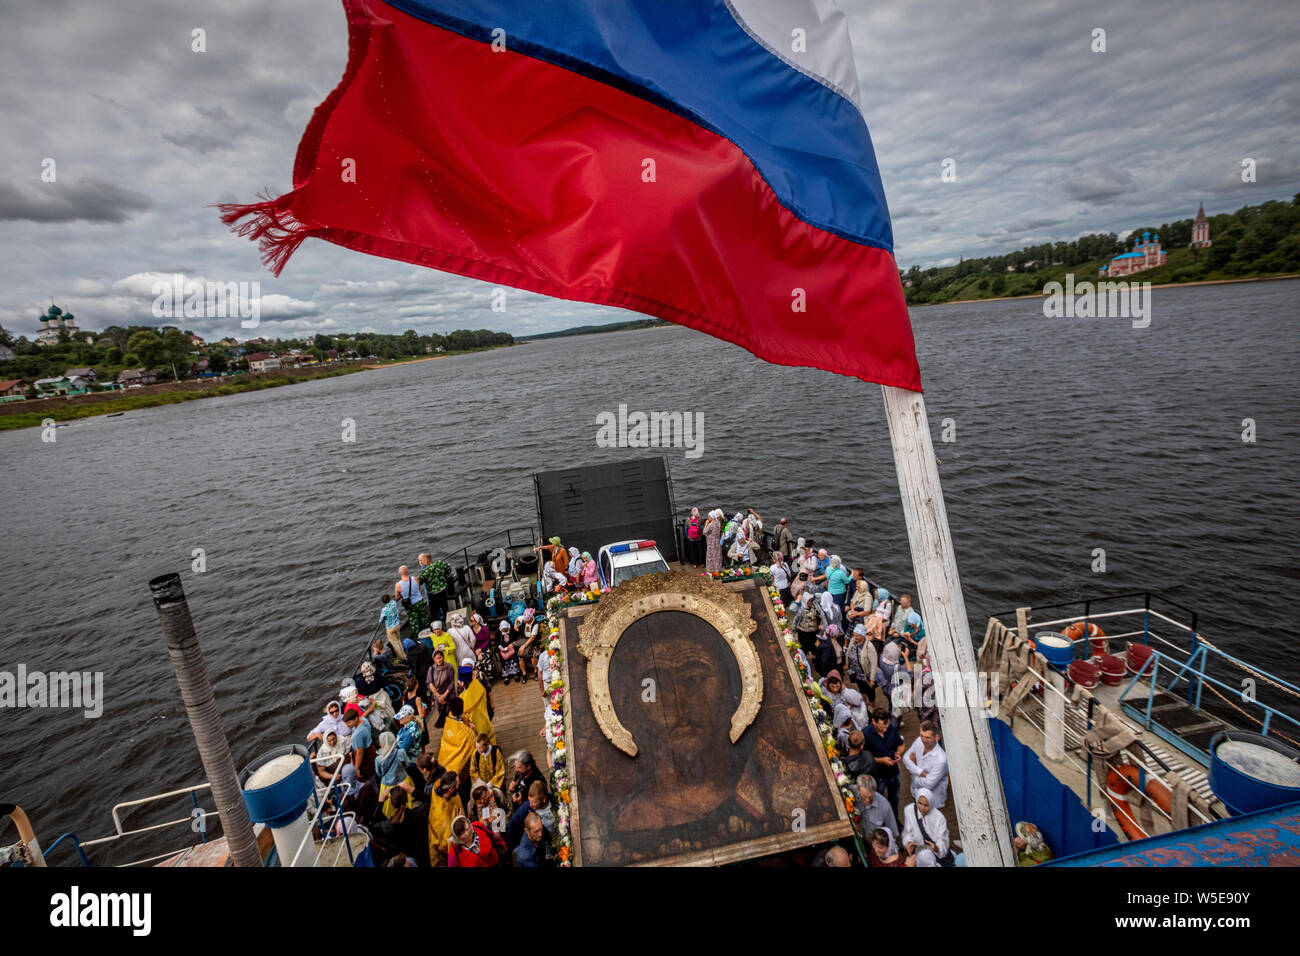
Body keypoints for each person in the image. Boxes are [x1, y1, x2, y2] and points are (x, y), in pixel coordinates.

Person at [863, 707, 905, 819]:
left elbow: (901, 745)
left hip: (894, 773)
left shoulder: (891, 728)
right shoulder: (866, 734)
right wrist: (879, 760)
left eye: (887, 727)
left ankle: (895, 820)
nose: (885, 730)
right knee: (879, 803)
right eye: (882, 727)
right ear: (873, 721)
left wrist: (899, 753)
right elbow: (864, 757)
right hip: (878, 777)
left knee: (894, 801)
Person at [437, 696, 479, 805]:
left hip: (448, 766)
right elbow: (474, 745)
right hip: (463, 771)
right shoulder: (467, 732)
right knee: (465, 793)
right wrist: (474, 730)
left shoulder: (448, 724)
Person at [903, 720, 949, 809]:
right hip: (916, 793)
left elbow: (928, 784)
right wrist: (920, 772)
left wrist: (912, 770)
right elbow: (905, 758)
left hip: (932, 802)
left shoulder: (941, 759)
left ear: (937, 737)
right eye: (922, 736)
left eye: (927, 737)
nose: (923, 740)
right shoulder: (918, 741)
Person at [902, 788, 952, 867]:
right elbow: (907, 832)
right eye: (920, 803)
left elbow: (943, 840)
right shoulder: (909, 811)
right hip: (919, 853)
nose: (922, 807)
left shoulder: (939, 818)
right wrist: (908, 842)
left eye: (926, 805)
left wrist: (936, 848)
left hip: (935, 855)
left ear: (931, 804)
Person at [426, 771, 463, 866]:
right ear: (451, 789)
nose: (460, 784)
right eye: (458, 784)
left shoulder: (439, 786)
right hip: (442, 853)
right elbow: (446, 844)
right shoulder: (440, 815)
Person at [457, 662, 497, 746]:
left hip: (476, 724)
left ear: (463, 682)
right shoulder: (478, 685)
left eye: (460, 681)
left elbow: (464, 709)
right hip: (484, 719)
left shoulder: (465, 695)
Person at [856, 774, 900, 849]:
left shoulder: (884, 805)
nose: (867, 800)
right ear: (858, 788)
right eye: (863, 796)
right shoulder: (850, 792)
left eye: (870, 797)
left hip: (874, 847)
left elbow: (893, 833)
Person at [342, 704, 376, 788]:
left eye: (349, 722)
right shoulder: (364, 720)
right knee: (374, 774)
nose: (348, 725)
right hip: (371, 748)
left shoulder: (357, 734)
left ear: (356, 718)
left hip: (366, 757)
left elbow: (360, 752)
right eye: (346, 723)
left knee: (368, 779)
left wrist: (357, 768)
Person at [845, 624, 879, 704]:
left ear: (863, 635)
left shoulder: (869, 647)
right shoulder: (853, 641)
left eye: (857, 635)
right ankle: (863, 703)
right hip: (856, 673)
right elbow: (848, 652)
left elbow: (874, 663)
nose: (855, 637)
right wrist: (847, 663)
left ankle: (871, 706)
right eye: (854, 635)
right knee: (861, 689)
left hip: (866, 675)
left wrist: (872, 679)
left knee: (870, 692)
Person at [417, 552, 453, 624]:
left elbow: (419, 582)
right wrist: (445, 575)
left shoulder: (425, 571)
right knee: (444, 607)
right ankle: (447, 622)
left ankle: (438, 624)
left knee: (434, 611)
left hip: (433, 594)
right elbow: (449, 568)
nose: (422, 563)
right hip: (443, 590)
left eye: (422, 561)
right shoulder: (439, 563)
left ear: (426, 561)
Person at [426, 648, 456, 728]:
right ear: (434, 659)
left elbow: (451, 683)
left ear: (443, 657)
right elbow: (430, 683)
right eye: (436, 658)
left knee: (452, 713)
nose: (439, 660)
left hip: (449, 695)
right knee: (443, 715)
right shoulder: (431, 669)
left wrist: (444, 696)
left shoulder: (449, 667)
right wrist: (438, 696)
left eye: (440, 658)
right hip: (438, 697)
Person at [395, 565, 428, 636]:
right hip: (419, 601)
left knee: (414, 622)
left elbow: (397, 597)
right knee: (424, 617)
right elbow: (418, 588)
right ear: (407, 571)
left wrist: (403, 594)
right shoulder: (415, 578)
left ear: (399, 572)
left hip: (409, 605)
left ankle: (418, 637)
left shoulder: (398, 585)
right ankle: (428, 633)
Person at [824, 555, 853, 625]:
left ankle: (832, 620)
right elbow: (847, 581)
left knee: (832, 606)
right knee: (838, 607)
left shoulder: (828, 569)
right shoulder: (840, 573)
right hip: (839, 593)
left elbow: (827, 578)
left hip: (830, 591)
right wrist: (852, 574)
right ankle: (840, 621)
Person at [498, 620, 523, 684]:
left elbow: (517, 638)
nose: (504, 630)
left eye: (506, 629)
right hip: (504, 652)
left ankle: (516, 674)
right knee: (505, 661)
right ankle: (506, 676)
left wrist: (513, 644)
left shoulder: (512, 631)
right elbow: (497, 642)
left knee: (514, 659)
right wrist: (500, 647)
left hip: (512, 650)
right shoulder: (498, 633)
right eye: (503, 630)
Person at [379, 594, 404, 659]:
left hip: (390, 628)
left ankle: (402, 658)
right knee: (398, 640)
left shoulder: (384, 610)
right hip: (397, 625)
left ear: (383, 602)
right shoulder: (393, 602)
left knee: (395, 644)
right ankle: (404, 654)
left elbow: (381, 620)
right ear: (389, 598)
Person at [703, 509, 724, 573]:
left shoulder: (711, 524)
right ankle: (718, 568)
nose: (708, 518)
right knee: (717, 555)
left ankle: (711, 569)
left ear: (712, 517)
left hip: (711, 542)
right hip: (717, 541)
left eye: (709, 516)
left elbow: (704, 532)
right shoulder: (718, 523)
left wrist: (706, 524)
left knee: (711, 555)